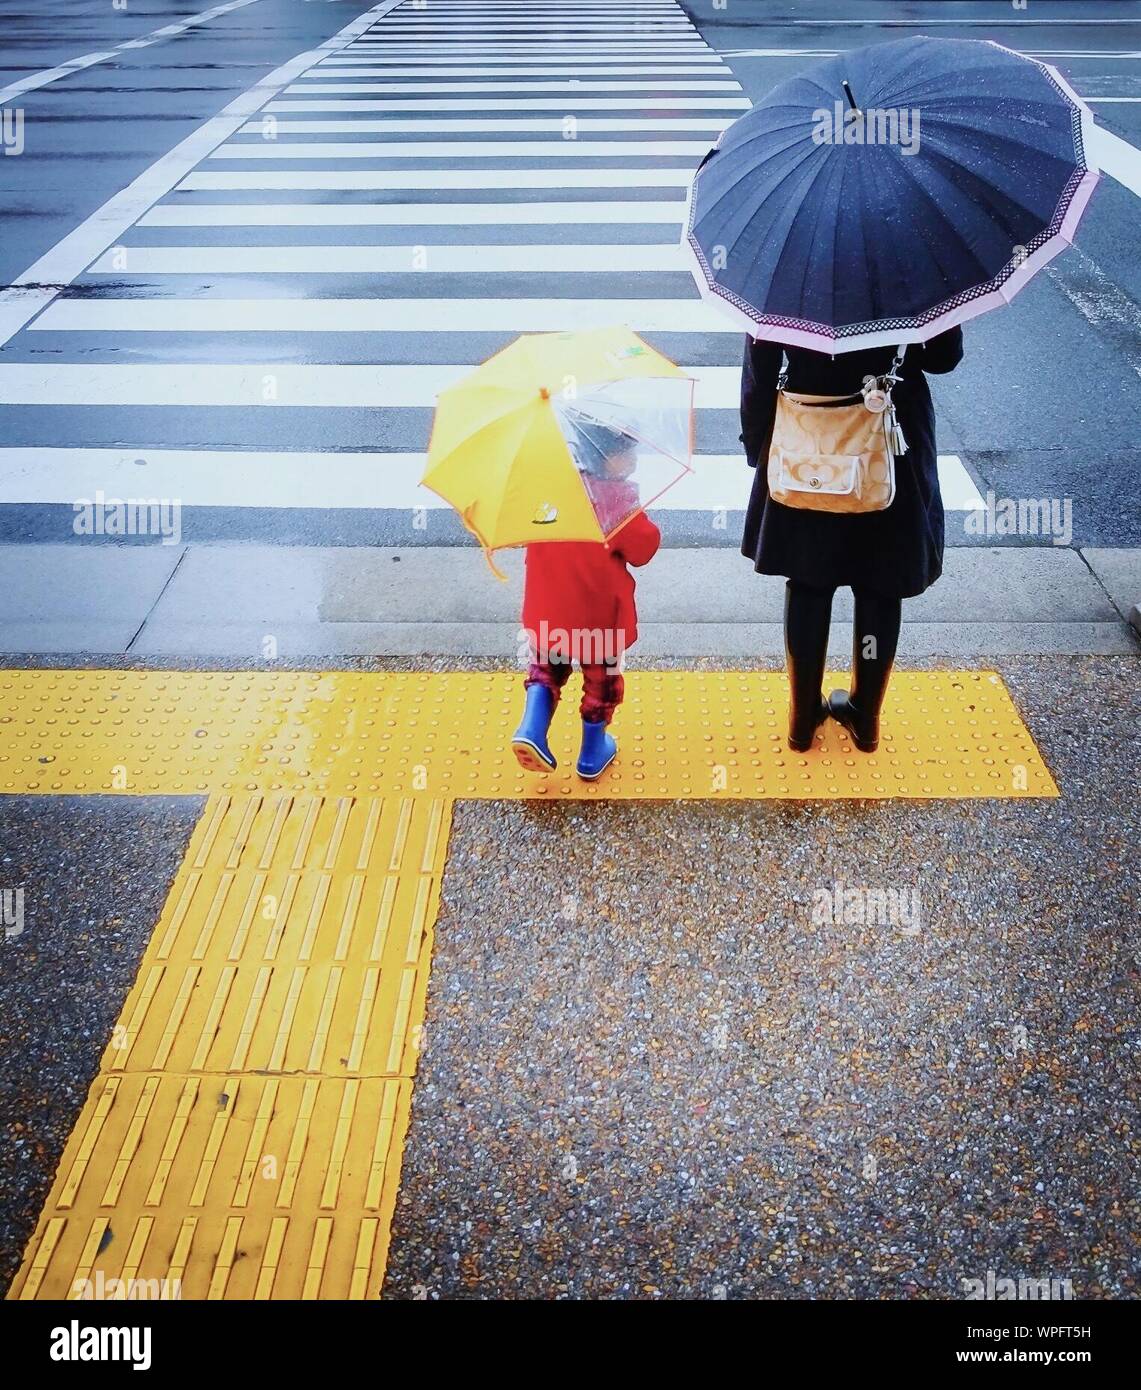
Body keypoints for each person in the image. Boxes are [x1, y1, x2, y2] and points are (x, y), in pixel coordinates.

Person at [740, 327, 964, 752]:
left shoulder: (791, 270)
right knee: (881, 584)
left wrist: (757, 442)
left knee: (808, 581)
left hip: (809, 437)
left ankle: (803, 716)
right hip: (890, 437)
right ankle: (865, 718)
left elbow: (760, 365)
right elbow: (942, 357)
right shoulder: (908, 265)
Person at [512, 423, 660, 779]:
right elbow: (644, 548)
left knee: (547, 669)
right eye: (628, 452)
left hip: (548, 610)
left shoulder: (550, 488)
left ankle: (532, 728)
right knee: (601, 682)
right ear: (608, 459)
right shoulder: (617, 502)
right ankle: (593, 752)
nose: (633, 459)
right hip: (598, 619)